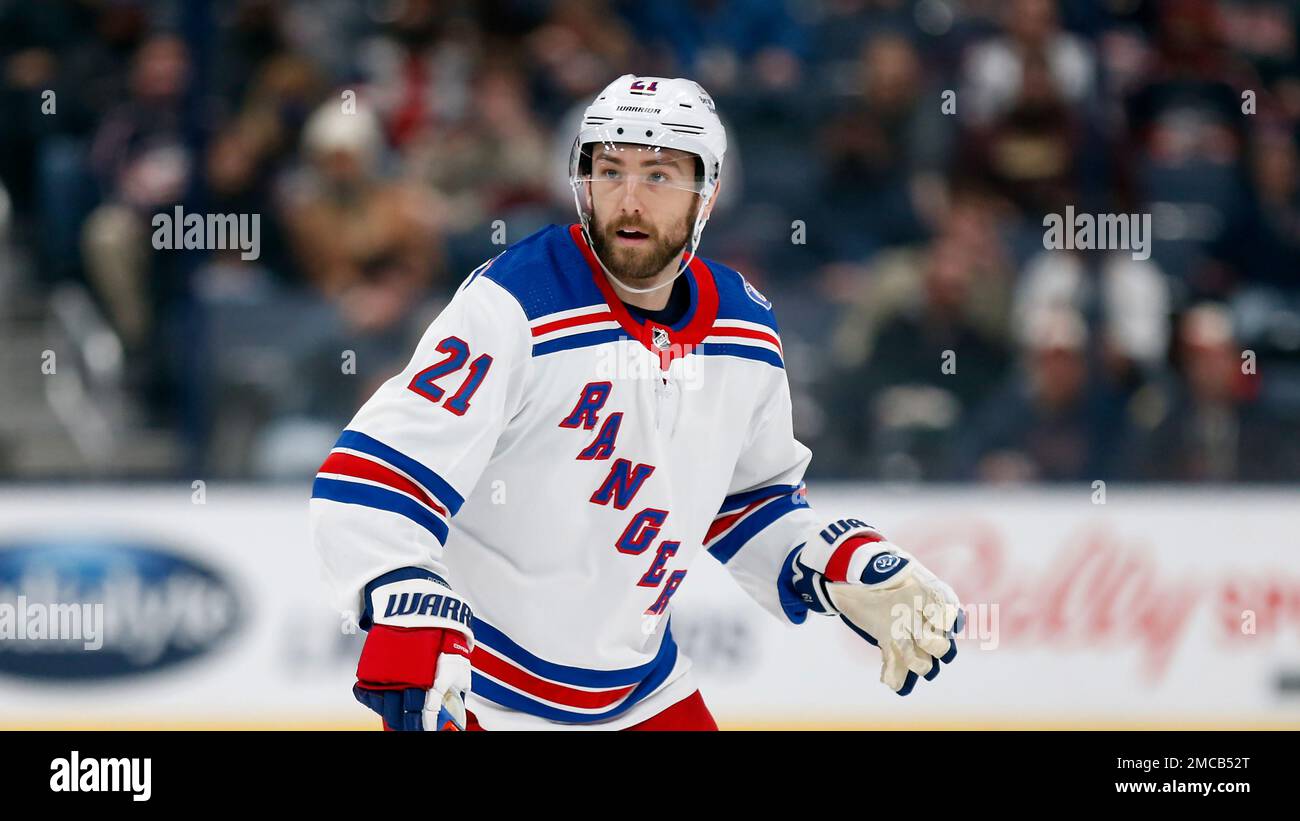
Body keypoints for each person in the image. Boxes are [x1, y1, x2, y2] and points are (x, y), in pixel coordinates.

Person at [310, 75, 964, 731]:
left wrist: (840, 561)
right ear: (581, 179)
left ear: (707, 194)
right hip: (485, 692)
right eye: (610, 169)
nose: (627, 199)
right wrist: (406, 593)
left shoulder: (747, 331)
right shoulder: (513, 303)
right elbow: (371, 475)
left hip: (643, 695)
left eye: (658, 175)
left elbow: (749, 504)